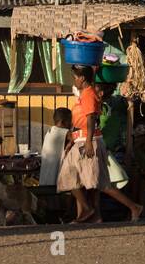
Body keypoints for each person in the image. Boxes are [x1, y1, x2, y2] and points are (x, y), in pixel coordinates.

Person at [56, 65, 111, 223]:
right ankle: (88, 214)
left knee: (89, 180)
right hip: (81, 139)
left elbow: (91, 118)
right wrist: (73, 140)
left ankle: (88, 211)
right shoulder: (85, 94)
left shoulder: (88, 94)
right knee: (84, 180)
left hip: (87, 140)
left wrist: (87, 142)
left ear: (82, 78)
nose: (74, 81)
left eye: (75, 77)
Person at [38, 108, 72, 188]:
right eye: (70, 121)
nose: (71, 123)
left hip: (45, 177)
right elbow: (75, 137)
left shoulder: (51, 130)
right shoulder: (60, 131)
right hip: (52, 179)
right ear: (62, 122)